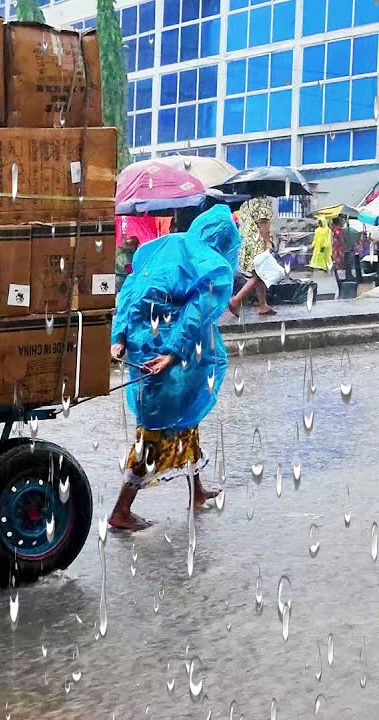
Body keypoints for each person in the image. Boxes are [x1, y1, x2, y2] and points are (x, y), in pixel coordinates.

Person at [108, 204, 240, 531]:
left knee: (187, 422)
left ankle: (196, 491)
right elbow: (197, 311)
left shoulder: (162, 248)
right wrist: (173, 351)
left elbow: (131, 289)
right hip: (166, 355)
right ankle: (121, 510)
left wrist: (119, 335)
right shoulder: (207, 263)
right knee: (152, 434)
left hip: (144, 345)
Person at [228, 200, 278, 316]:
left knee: (258, 275)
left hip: (246, 243)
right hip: (257, 243)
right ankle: (235, 300)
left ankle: (263, 305)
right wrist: (268, 242)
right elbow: (263, 224)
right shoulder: (263, 203)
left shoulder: (245, 204)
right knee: (259, 275)